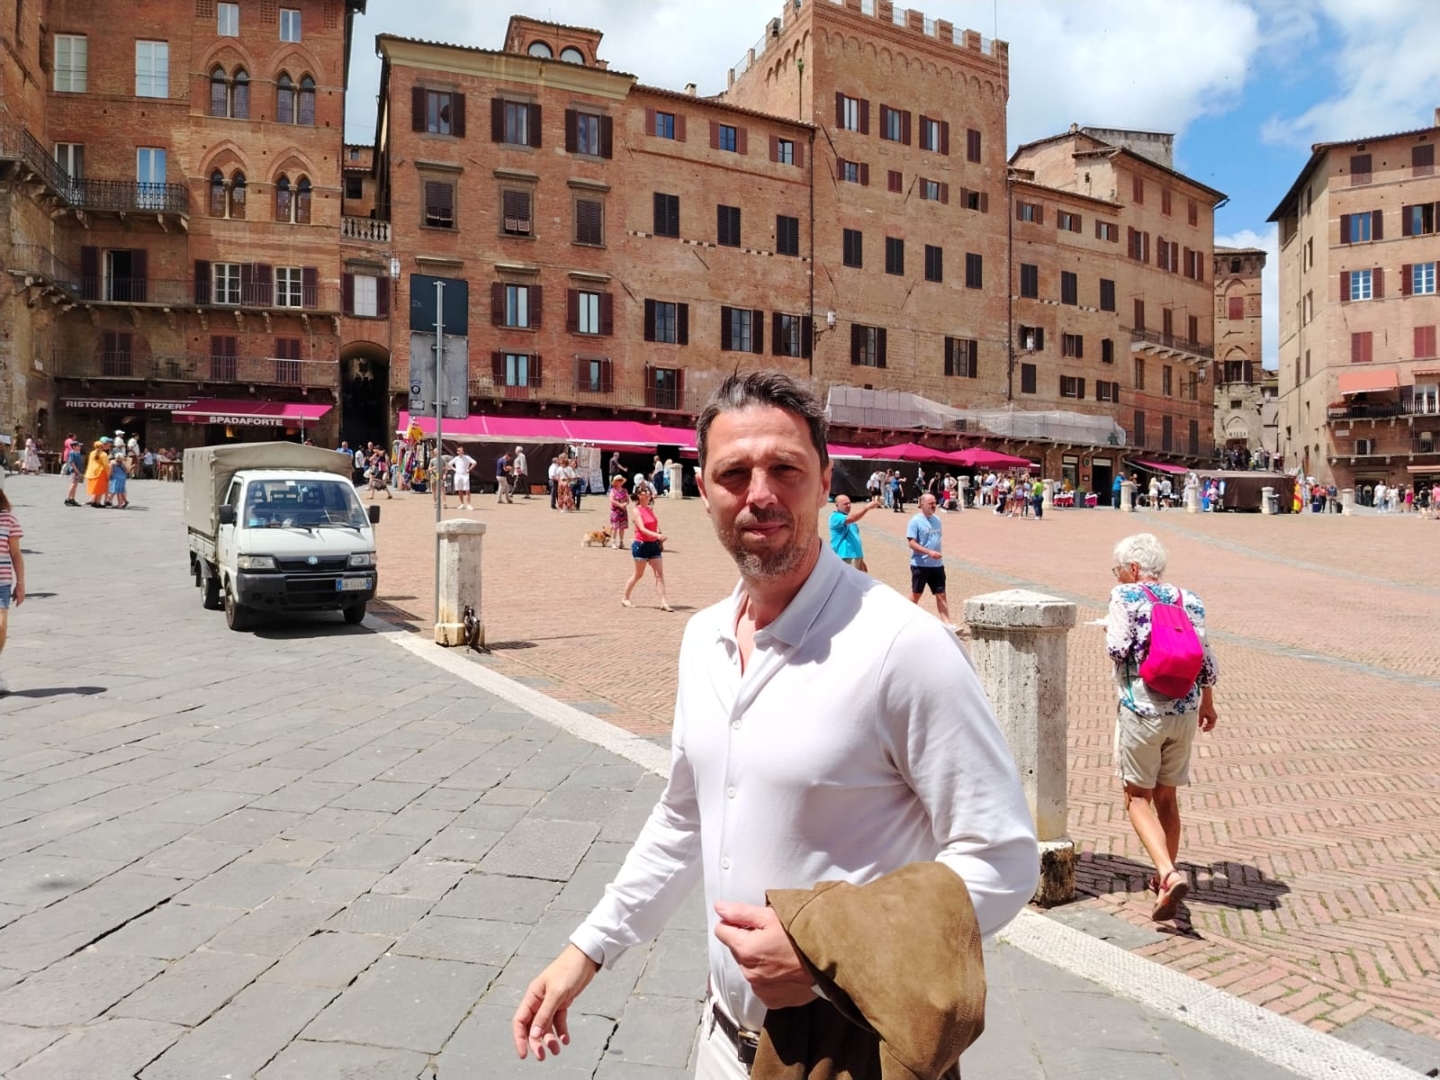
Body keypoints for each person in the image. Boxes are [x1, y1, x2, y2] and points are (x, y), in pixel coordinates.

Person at [512, 371, 1036, 1073]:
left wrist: (828, 955)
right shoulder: (703, 638)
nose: (760, 493)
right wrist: (590, 947)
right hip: (721, 1046)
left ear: (824, 479)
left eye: (785, 468)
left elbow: (1004, 857)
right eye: (734, 473)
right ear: (703, 490)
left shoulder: (902, 646)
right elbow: (684, 819)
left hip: (847, 1057)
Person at [1106, 533, 1219, 922]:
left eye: (1120, 570)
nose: (1118, 577)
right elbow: (1206, 659)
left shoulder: (1126, 597)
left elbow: (1118, 648)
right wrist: (1208, 703)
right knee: (1167, 797)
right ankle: (1162, 878)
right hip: (1185, 709)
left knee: (1136, 797)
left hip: (1144, 708)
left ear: (1134, 569)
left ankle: (1169, 874)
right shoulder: (1190, 598)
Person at [907, 492, 953, 628]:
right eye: (931, 503)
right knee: (916, 595)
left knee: (941, 594)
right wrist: (928, 552)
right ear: (922, 505)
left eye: (935, 503)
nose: (934, 506)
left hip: (937, 565)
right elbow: (911, 543)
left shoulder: (937, 520)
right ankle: (905, 618)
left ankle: (947, 623)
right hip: (920, 565)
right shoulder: (915, 521)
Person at [620, 486, 670, 610]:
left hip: (653, 545)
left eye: (648, 492)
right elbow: (642, 529)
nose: (648, 494)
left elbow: (655, 525)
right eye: (645, 492)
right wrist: (657, 535)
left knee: (659, 574)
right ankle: (625, 598)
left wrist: (659, 535)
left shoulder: (650, 508)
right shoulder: (636, 510)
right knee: (638, 574)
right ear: (639, 496)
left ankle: (663, 602)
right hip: (641, 545)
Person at [0, 482, 26, 694]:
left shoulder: (8, 519)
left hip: (2, 582)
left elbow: (16, 553)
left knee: (0, 627)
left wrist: (21, 583)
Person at [828, 492, 880, 570]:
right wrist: (866, 508)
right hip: (845, 555)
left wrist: (861, 560)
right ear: (837, 506)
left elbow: (854, 538)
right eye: (845, 504)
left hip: (856, 555)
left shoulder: (850, 521)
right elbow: (852, 518)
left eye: (849, 503)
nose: (848, 506)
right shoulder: (835, 517)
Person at [85, 438, 112, 508]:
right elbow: (106, 465)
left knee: (95, 488)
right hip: (101, 472)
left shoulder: (91, 453)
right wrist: (108, 473)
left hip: (92, 472)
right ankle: (97, 502)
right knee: (100, 488)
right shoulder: (103, 454)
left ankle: (94, 501)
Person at [449, 445, 476, 510]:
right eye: (458, 450)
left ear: (463, 451)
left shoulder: (467, 457)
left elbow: (474, 462)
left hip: (465, 475)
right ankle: (462, 504)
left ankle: (469, 505)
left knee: (467, 490)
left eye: (460, 450)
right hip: (458, 475)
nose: (458, 451)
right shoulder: (456, 458)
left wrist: (469, 469)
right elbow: (450, 464)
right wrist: (454, 469)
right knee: (459, 490)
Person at [607, 475, 630, 549]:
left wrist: (625, 504)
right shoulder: (612, 490)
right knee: (615, 527)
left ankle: (621, 542)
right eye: (618, 480)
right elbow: (611, 500)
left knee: (622, 528)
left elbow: (628, 500)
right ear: (615, 482)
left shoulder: (625, 490)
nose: (620, 482)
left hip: (623, 511)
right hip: (615, 511)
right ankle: (613, 542)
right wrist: (620, 505)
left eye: (621, 480)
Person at [63, 440, 85, 506]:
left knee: (75, 485)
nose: (79, 447)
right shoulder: (72, 453)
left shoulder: (78, 453)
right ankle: (68, 498)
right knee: (73, 484)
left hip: (78, 471)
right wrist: (77, 471)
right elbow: (72, 462)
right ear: (74, 446)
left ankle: (72, 499)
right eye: (78, 446)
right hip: (75, 471)